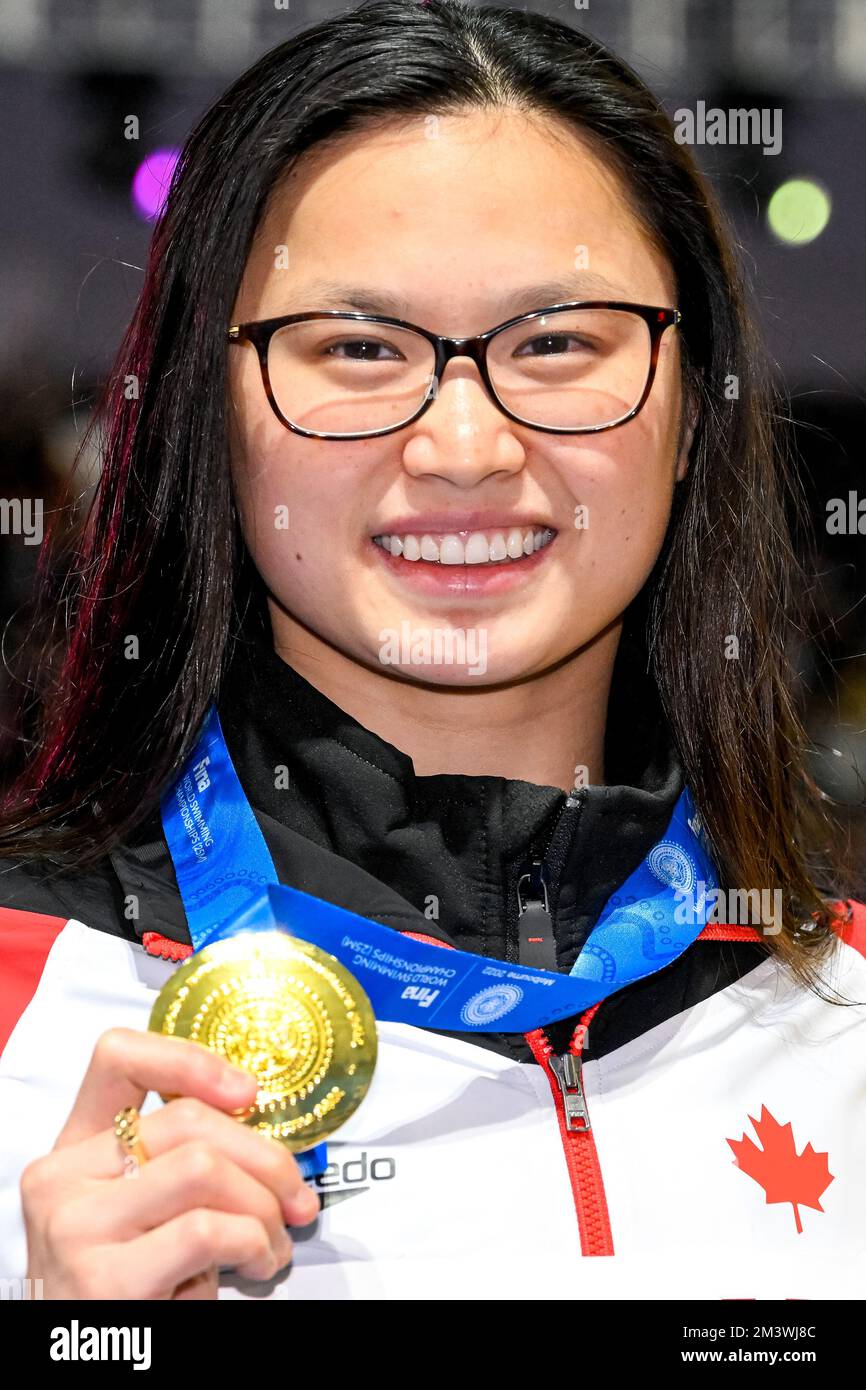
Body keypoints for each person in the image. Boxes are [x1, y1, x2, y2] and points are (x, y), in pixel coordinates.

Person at [0, 0, 863, 1302]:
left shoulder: (841, 1000)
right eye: (357, 347)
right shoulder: (24, 998)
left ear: (692, 407)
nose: (464, 447)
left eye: (558, 342)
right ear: (203, 415)